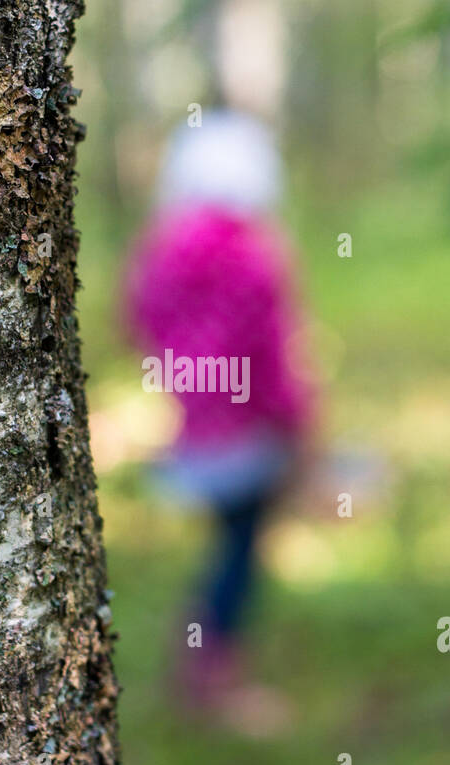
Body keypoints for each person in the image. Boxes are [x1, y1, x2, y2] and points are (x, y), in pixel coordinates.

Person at [124, 109, 314, 727]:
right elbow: (274, 359)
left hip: (194, 428)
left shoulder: (161, 250)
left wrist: (189, 383)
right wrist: (300, 426)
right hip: (248, 433)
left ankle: (199, 656)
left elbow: (139, 324)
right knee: (240, 548)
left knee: (226, 543)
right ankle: (214, 679)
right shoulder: (257, 254)